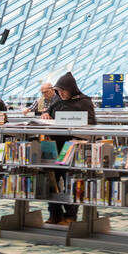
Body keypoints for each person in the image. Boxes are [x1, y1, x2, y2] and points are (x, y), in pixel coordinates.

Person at [42, 72, 96, 225]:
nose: (61, 94)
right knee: (53, 180)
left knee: (70, 181)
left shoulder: (84, 102)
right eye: (58, 91)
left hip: (73, 147)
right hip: (56, 145)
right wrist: (45, 115)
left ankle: (71, 216)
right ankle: (54, 213)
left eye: (63, 91)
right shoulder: (58, 101)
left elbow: (92, 123)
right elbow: (48, 112)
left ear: (71, 89)